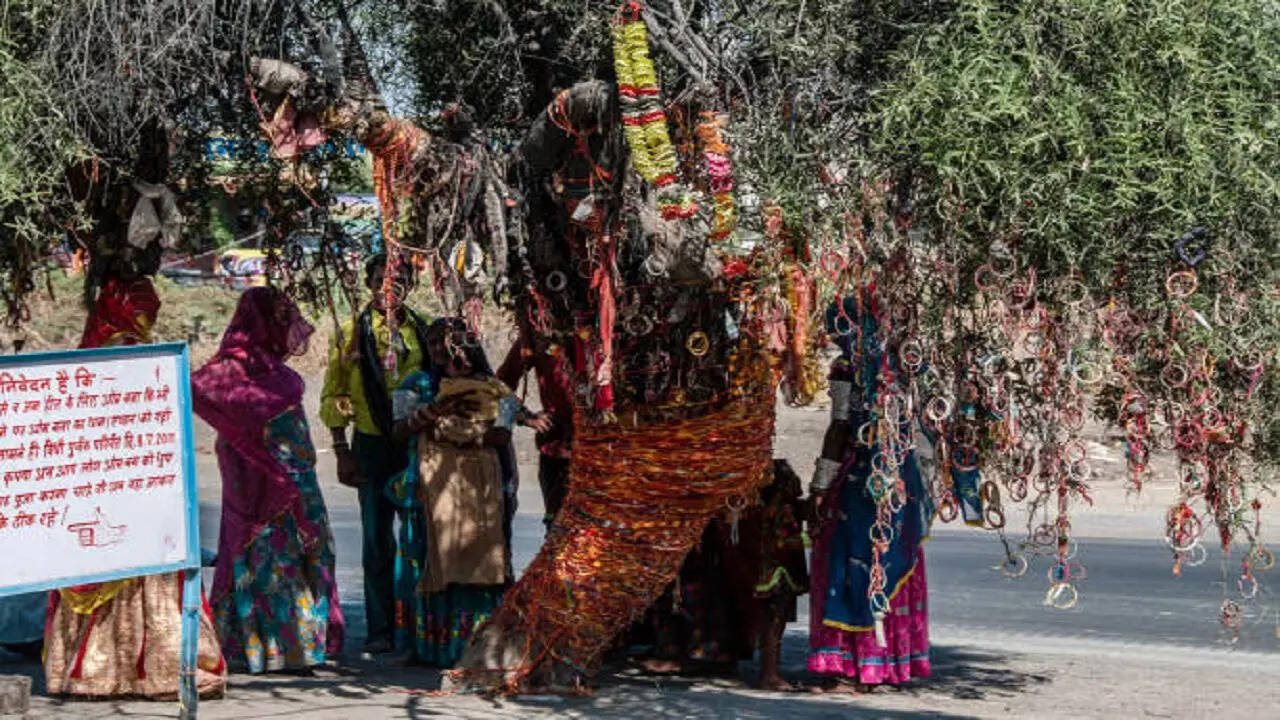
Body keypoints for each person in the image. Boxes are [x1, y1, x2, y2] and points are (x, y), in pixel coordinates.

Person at [44, 277, 227, 698]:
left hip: (98, 482)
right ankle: (156, 670)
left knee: (109, 565)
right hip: (136, 478)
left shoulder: (84, 358)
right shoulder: (134, 355)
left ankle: (91, 671)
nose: (146, 321)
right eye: (142, 312)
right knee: (141, 567)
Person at [191, 287, 345, 673]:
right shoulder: (230, 368)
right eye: (279, 320)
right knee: (264, 555)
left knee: (306, 551)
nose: (289, 331)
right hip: (254, 481)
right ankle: (272, 649)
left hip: (297, 480)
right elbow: (197, 391)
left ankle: (299, 645)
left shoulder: (274, 370)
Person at [806, 292, 934, 693]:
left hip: (861, 480)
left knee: (853, 561)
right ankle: (888, 662)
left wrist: (819, 486)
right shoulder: (905, 365)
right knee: (888, 557)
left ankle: (854, 667)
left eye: (835, 326)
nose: (830, 335)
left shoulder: (848, 368)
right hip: (902, 480)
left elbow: (840, 426)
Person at [320, 253, 432, 654]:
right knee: (376, 540)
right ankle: (381, 627)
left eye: (399, 279)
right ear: (368, 283)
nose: (391, 287)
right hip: (369, 443)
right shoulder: (351, 332)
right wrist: (340, 450)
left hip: (416, 445)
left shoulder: (422, 331)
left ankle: (418, 624)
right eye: (382, 279)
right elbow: (334, 393)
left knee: (419, 536)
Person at [390, 318, 518, 667]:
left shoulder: (493, 388)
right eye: (432, 341)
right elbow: (400, 430)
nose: (439, 349)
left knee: (482, 556)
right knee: (429, 557)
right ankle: (431, 647)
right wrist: (431, 412)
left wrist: (453, 429)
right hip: (428, 485)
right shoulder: (415, 384)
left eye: (448, 341)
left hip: (481, 486)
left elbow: (502, 434)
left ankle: (478, 644)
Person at [630, 459, 809, 689]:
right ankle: (768, 673)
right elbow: (786, 537)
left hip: (773, 575)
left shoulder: (761, 513)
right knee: (772, 621)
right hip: (773, 576)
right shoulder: (772, 511)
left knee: (771, 620)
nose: (799, 489)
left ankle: (767, 671)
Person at [497, 320, 572, 527]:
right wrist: (525, 416)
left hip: (608, 451)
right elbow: (500, 386)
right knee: (559, 533)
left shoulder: (614, 324)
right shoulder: (538, 332)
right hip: (558, 450)